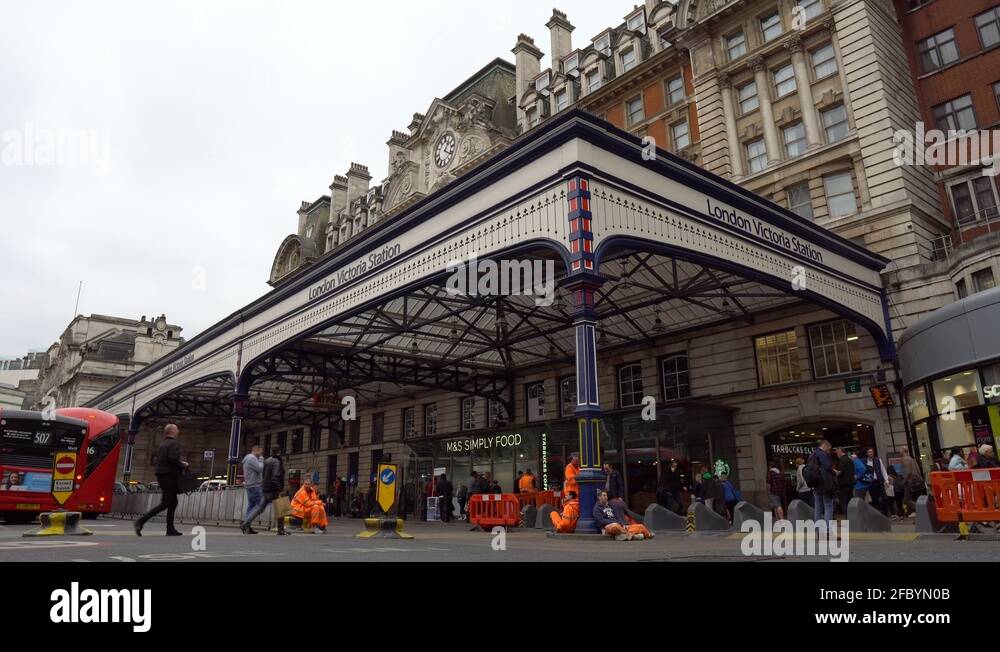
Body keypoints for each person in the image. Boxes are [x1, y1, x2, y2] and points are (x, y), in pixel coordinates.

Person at [135, 424, 186, 537]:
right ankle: (141, 521)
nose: (178, 431)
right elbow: (172, 458)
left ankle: (170, 529)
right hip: (169, 476)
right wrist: (182, 465)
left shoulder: (162, 444)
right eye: (177, 429)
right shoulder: (174, 444)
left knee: (172, 503)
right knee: (165, 503)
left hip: (161, 476)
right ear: (172, 431)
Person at [241, 445, 288, 535]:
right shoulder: (276, 461)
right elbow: (276, 476)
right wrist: (280, 488)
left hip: (265, 488)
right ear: (279, 451)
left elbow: (263, 473)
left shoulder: (267, 460)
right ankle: (281, 530)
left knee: (259, 508)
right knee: (282, 507)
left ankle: (245, 524)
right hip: (274, 488)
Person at [805, 440, 836, 526]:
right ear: (825, 445)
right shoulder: (821, 453)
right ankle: (827, 532)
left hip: (815, 484)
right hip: (825, 484)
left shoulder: (811, 455)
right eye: (828, 449)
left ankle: (818, 531)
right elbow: (828, 466)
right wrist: (834, 472)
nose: (828, 451)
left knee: (818, 507)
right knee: (828, 506)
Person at [853, 448, 888, 514]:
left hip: (876, 481)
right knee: (868, 499)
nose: (871, 453)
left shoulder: (878, 460)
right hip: (867, 482)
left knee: (878, 499)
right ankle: (872, 513)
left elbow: (883, 470)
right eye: (869, 452)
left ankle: (880, 513)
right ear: (866, 453)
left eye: (872, 452)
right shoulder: (863, 461)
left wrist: (886, 480)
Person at [242, 445, 264, 533]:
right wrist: (261, 460)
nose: (261, 454)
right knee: (260, 505)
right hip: (255, 485)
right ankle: (245, 524)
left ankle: (247, 527)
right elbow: (260, 469)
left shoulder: (247, 458)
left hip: (250, 485)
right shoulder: (252, 458)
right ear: (256, 450)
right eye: (260, 452)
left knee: (251, 505)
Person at [899, 446, 925, 517]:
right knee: (915, 498)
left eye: (900, 451)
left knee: (906, 500)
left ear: (904, 451)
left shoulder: (905, 459)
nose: (899, 452)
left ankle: (920, 510)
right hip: (917, 482)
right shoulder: (912, 459)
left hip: (910, 483)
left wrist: (903, 482)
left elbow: (907, 472)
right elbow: (918, 470)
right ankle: (916, 512)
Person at [833, 449, 855, 518]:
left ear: (840, 452)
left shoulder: (842, 460)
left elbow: (840, 472)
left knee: (843, 502)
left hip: (843, 484)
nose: (837, 455)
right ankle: (853, 517)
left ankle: (848, 518)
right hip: (851, 483)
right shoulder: (850, 459)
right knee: (850, 500)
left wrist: (832, 470)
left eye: (837, 453)